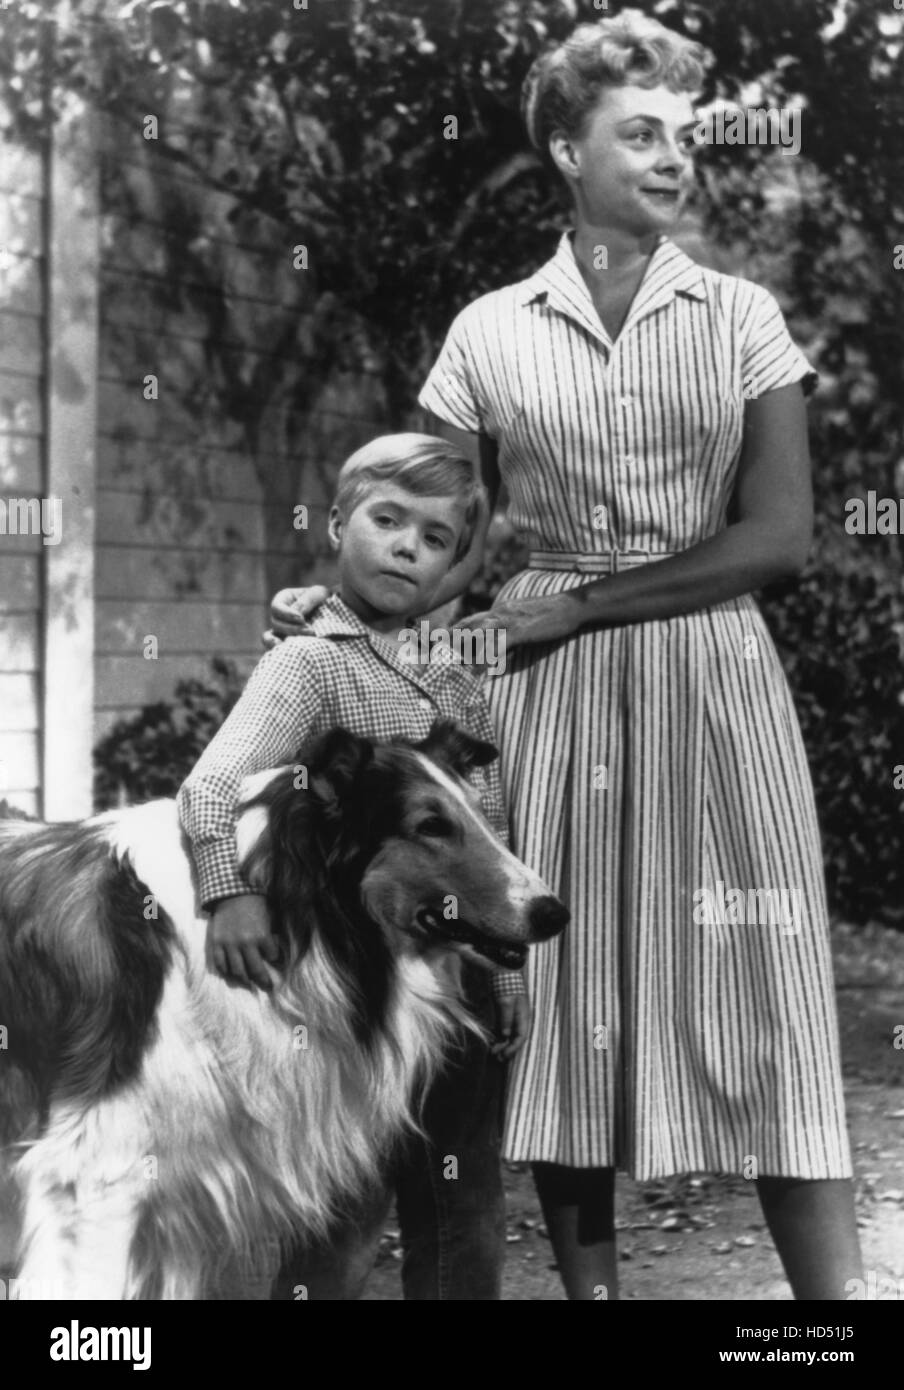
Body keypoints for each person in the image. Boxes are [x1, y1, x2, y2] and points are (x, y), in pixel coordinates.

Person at [272, 12, 862, 1301]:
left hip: (714, 683)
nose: (671, 159)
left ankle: (836, 1317)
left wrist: (580, 608)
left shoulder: (742, 316)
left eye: (684, 138)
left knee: (769, 988)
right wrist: (339, 615)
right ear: (564, 149)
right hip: (545, 700)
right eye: (638, 133)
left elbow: (777, 539)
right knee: (569, 990)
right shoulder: (488, 331)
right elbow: (428, 520)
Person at [177, 433, 529, 1300]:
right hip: (352, 997)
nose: (409, 546)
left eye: (436, 539)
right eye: (387, 520)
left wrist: (505, 973)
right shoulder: (308, 664)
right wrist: (228, 892)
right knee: (340, 1218)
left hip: (456, 997)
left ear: (451, 568)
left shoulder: (451, 680)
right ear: (337, 525)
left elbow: (486, 833)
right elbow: (207, 789)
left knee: (464, 1215)